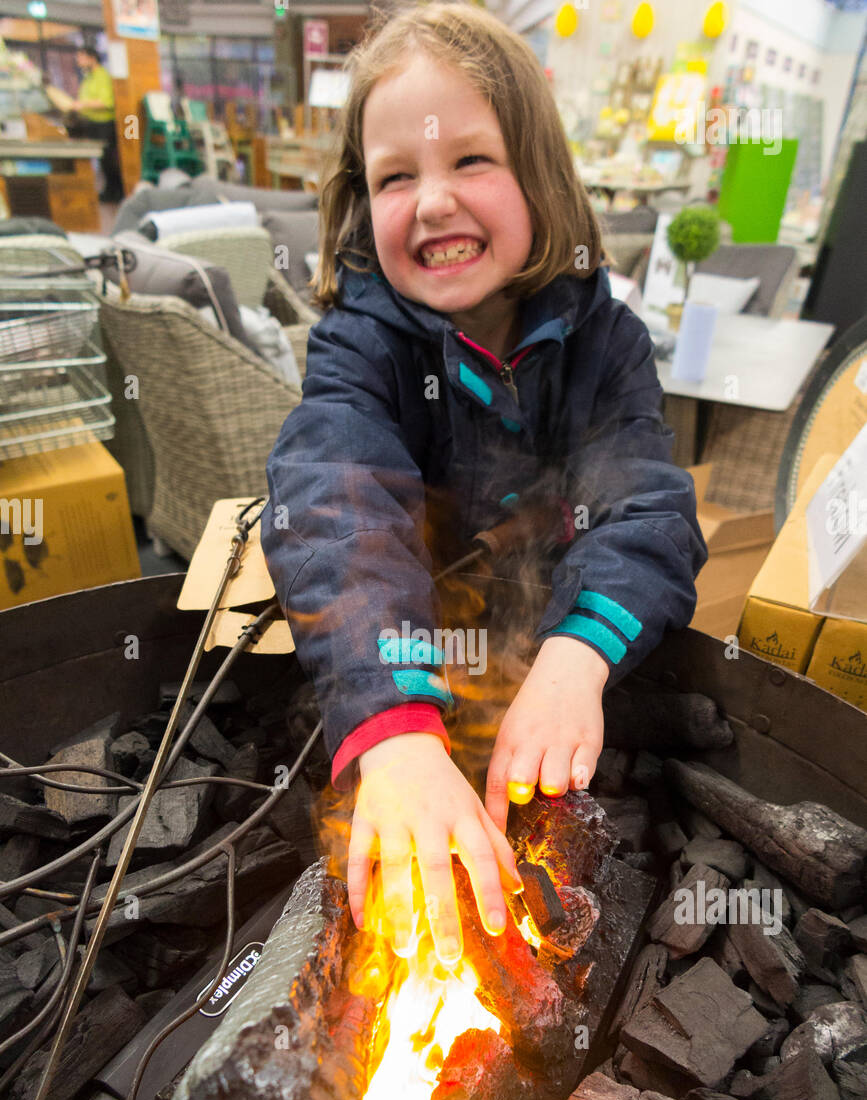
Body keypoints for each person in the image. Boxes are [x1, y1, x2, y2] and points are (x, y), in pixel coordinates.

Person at [261, 3, 707, 967]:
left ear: (540, 176)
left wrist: (580, 654)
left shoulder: (605, 340)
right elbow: (330, 499)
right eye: (394, 177)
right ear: (358, 198)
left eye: (470, 160)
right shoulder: (361, 342)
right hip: (414, 660)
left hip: (544, 654)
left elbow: (647, 507)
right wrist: (391, 725)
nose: (430, 202)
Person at [66, 45, 123, 203]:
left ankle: (117, 192)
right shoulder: (88, 77)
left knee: (109, 160)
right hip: (91, 123)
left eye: (81, 57)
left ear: (92, 58)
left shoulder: (102, 76)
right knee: (102, 161)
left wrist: (81, 105)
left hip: (104, 124)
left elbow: (106, 102)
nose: (78, 61)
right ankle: (109, 191)